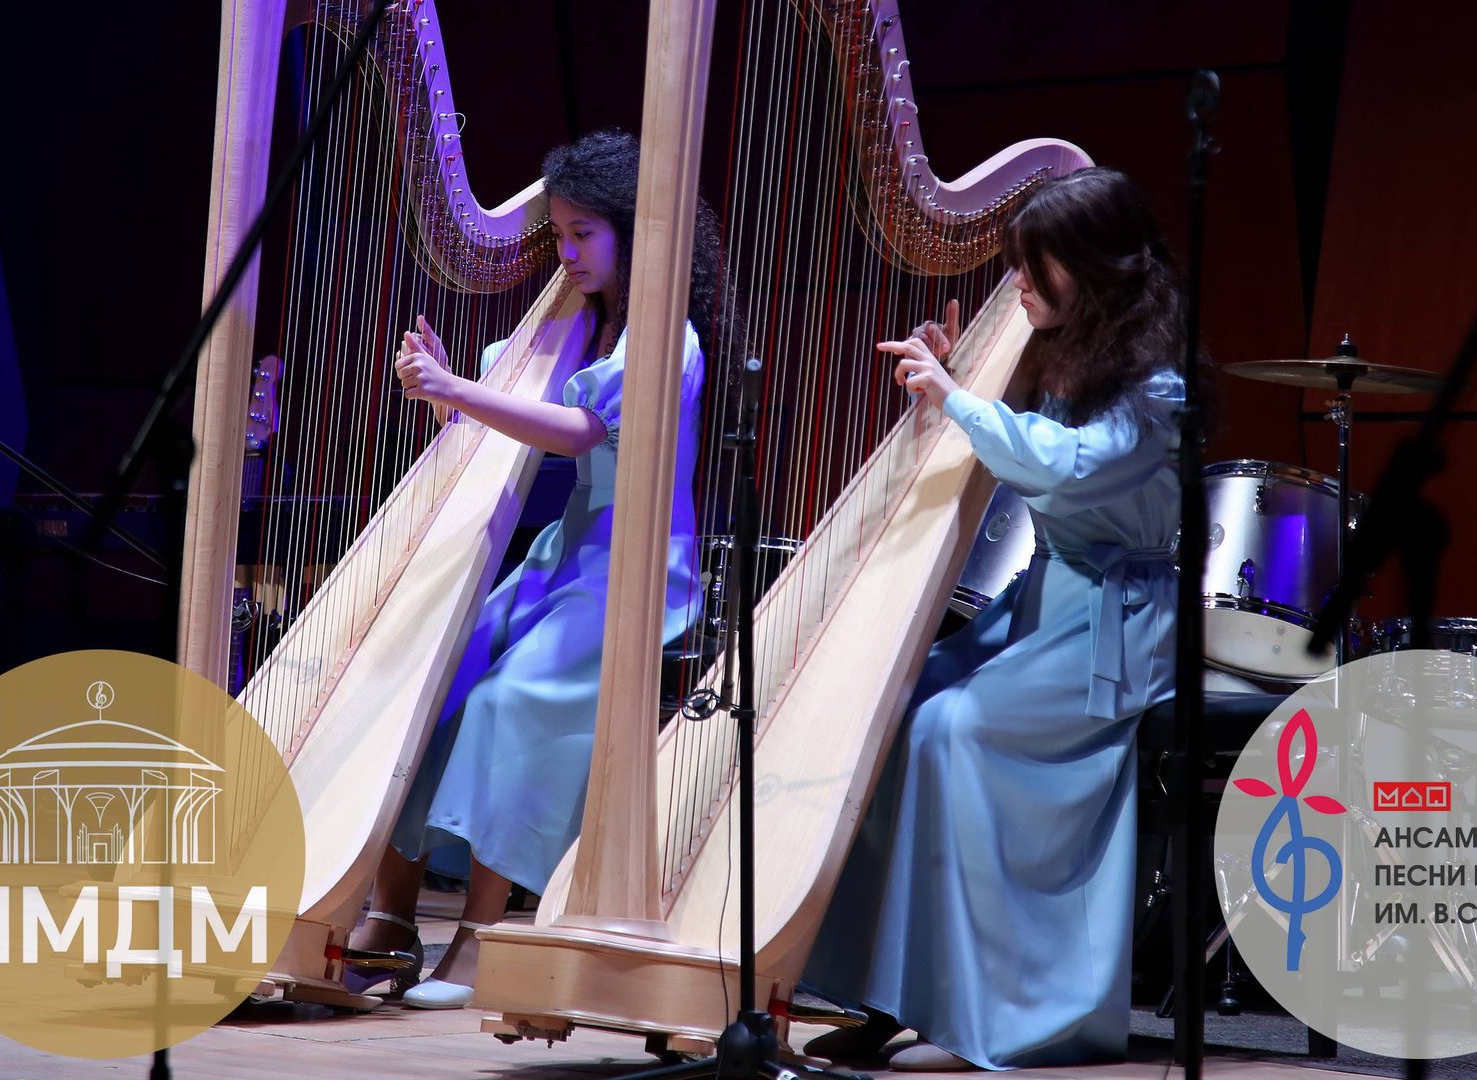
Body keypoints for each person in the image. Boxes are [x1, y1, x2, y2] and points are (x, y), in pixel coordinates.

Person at [799, 166, 1187, 1070]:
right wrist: (962, 378)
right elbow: (1027, 447)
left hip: (1116, 627)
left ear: (1091, 269)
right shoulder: (1076, 356)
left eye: (1033, 267)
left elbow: (1068, 468)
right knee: (888, 714)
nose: (1016, 285)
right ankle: (891, 990)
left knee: (954, 729)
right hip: (1049, 602)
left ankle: (980, 1010)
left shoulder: (1158, 389)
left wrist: (957, 397)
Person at [343, 129, 723, 1008]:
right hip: (568, 556)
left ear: (638, 230)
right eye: (559, 235)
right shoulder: (585, 327)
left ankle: (482, 934)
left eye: (585, 233)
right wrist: (454, 396)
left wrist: (455, 390)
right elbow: (524, 425)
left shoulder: (669, 342)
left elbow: (582, 435)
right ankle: (393, 914)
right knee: (432, 673)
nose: (569, 252)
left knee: (505, 702)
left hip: (635, 573)